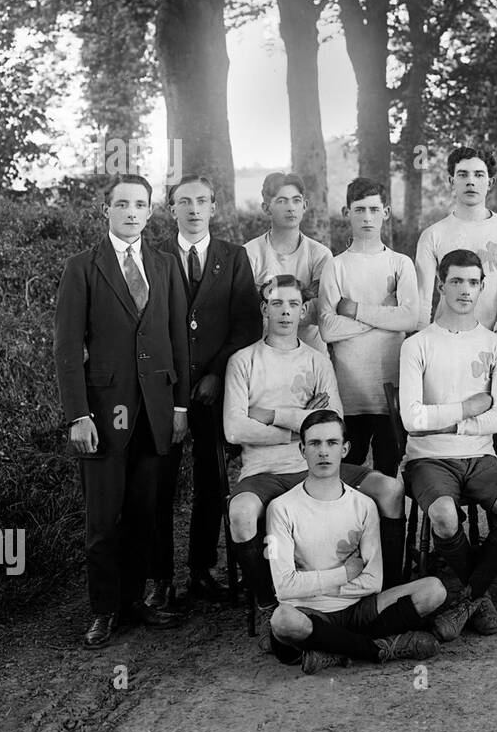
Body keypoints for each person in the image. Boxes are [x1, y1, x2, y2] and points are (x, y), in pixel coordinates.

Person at [224, 275, 406, 632]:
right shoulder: (242, 362)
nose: (285, 312)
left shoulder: (317, 361)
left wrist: (272, 414)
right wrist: (303, 423)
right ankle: (267, 602)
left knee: (391, 490)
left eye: (293, 304)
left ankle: (387, 591)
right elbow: (234, 429)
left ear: (304, 310)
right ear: (264, 309)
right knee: (242, 513)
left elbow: (333, 423)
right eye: (276, 304)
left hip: (321, 465)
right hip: (265, 471)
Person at [54, 173, 190, 649]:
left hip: (155, 411)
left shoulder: (165, 264)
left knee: (144, 513)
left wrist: (179, 405)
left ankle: (135, 602)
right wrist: (78, 415)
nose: (132, 212)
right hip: (103, 413)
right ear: (106, 210)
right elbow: (68, 348)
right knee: (103, 518)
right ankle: (104, 610)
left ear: (151, 212)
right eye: (123, 204)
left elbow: (177, 340)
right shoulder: (83, 268)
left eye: (141, 205)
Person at [399, 249, 497, 641]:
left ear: (482, 287)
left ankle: (469, 598)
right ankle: (481, 594)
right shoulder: (417, 345)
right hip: (428, 459)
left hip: (479, 457)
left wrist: (442, 420)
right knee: (443, 515)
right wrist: (468, 409)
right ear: (440, 284)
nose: (465, 290)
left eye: (473, 282)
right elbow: (411, 420)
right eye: (456, 280)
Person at [150, 173, 259, 609]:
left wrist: (217, 373)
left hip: (214, 391)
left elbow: (247, 321)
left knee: (211, 482)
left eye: (202, 201)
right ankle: (158, 578)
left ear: (215, 207)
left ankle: (200, 569)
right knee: (159, 483)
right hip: (166, 391)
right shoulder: (155, 260)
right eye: (184, 202)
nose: (193, 210)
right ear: (170, 208)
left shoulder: (233, 258)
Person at [266, 410, 445, 674]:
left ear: (346, 449)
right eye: (314, 444)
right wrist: (345, 573)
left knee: (434, 590)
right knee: (282, 621)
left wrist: (316, 585)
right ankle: (375, 649)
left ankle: (332, 650)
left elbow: (373, 581)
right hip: (311, 614)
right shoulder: (281, 508)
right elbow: (284, 588)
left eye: (332, 443)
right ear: (302, 450)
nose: (323, 452)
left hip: (359, 610)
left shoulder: (363, 505)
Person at [317, 178, 420, 477]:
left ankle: (389, 526)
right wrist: (384, 312)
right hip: (348, 394)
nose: (367, 217)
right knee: (347, 473)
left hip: (391, 390)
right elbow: (328, 329)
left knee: (388, 473)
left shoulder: (401, 264)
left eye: (374, 209)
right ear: (345, 211)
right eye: (359, 209)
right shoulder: (335, 266)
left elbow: (409, 319)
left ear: (386, 212)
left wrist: (355, 309)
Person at [414, 147, 497, 340]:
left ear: (489, 182)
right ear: (452, 181)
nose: (471, 181)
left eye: (479, 175)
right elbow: (422, 300)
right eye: (463, 175)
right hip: (444, 340)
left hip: (493, 340)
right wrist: (423, 342)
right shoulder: (432, 234)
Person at [243, 172, 332, 352]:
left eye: (296, 200)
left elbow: (319, 311)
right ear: (267, 208)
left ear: (304, 205)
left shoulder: (320, 255)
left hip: (311, 354)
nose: (291, 207)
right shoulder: (249, 254)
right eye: (282, 201)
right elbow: (247, 311)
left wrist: (270, 302)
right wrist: (302, 299)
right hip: (264, 352)